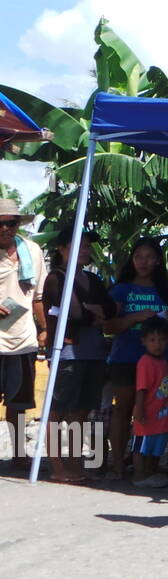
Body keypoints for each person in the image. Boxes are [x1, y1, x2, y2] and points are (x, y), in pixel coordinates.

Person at [42, 227, 114, 483]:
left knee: (82, 410)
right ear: (62, 249)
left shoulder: (92, 280)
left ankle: (74, 463)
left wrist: (91, 310)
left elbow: (110, 307)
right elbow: (74, 313)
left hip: (93, 351)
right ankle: (56, 466)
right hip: (68, 351)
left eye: (87, 246)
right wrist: (89, 311)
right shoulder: (57, 278)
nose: (85, 250)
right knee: (59, 410)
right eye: (79, 245)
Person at [102, 239, 168, 478]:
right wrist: (135, 318)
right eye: (138, 256)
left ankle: (147, 464)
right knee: (124, 410)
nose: (143, 262)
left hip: (159, 362)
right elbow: (108, 326)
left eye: (149, 257)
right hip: (125, 358)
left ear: (157, 260)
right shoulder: (121, 289)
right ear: (132, 260)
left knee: (155, 411)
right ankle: (118, 463)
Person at [0, 197, 45, 472]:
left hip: (23, 338)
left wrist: (45, 330)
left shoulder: (32, 251)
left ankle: (19, 454)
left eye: (11, 223)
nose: (5, 228)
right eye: (1, 223)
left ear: (18, 225)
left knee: (19, 403)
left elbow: (39, 295)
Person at [132, 316, 168, 488]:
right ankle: (139, 474)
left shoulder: (164, 361)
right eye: (152, 340)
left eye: (162, 340)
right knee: (142, 446)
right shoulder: (145, 362)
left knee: (157, 446)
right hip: (148, 414)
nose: (157, 344)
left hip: (162, 415)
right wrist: (140, 409)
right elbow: (141, 389)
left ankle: (151, 472)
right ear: (143, 341)